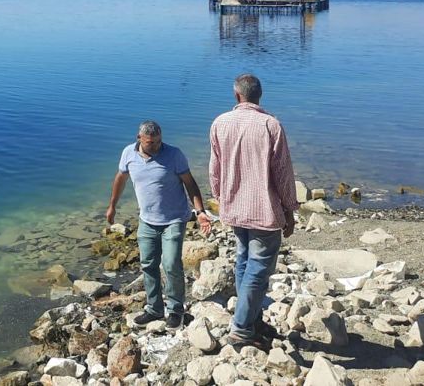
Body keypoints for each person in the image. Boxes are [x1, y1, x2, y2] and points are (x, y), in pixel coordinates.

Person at [209, 73, 298, 349]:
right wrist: (290, 209)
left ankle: (253, 319)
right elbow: (282, 173)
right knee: (258, 268)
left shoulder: (220, 123)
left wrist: (221, 198)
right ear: (260, 95)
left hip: (235, 207)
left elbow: (215, 169)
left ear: (237, 95)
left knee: (244, 261)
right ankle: (241, 327)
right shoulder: (270, 125)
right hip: (264, 211)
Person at [106, 120, 212, 329]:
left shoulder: (174, 155)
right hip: (147, 220)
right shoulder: (128, 153)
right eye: (150, 143)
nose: (156, 146)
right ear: (139, 139)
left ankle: (176, 310)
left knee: (171, 263)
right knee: (148, 264)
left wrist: (200, 212)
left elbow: (190, 184)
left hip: (174, 219)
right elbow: (120, 178)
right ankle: (154, 309)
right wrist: (112, 206)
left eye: (158, 141)